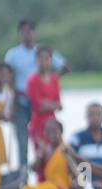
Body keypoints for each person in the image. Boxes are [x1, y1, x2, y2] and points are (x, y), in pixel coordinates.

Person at [4, 19, 67, 171]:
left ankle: (49, 172)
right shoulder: (13, 54)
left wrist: (49, 78)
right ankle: (23, 175)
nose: (27, 35)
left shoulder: (42, 51)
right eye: (24, 32)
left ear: (34, 33)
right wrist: (10, 103)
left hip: (42, 103)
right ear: (20, 34)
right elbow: (7, 76)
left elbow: (65, 67)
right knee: (22, 140)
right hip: (21, 100)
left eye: (30, 31)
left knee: (46, 140)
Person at [21, 119, 75, 189]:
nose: (52, 133)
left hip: (61, 188)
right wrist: (40, 155)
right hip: (49, 185)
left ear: (61, 131)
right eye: (48, 131)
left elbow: (77, 169)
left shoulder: (66, 149)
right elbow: (33, 169)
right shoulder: (46, 150)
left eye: (54, 130)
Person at [25, 46, 62, 152]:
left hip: (54, 125)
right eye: (40, 58)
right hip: (38, 124)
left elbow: (59, 105)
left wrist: (46, 103)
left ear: (51, 60)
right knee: (41, 155)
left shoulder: (55, 79)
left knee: (55, 155)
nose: (43, 62)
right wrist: (52, 104)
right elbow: (38, 107)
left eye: (47, 58)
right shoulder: (33, 80)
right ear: (36, 61)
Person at [70, 102, 102, 182]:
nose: (95, 117)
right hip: (84, 185)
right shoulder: (76, 137)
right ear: (86, 116)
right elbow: (70, 162)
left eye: (98, 114)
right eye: (91, 114)